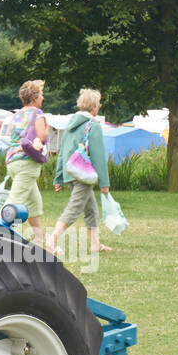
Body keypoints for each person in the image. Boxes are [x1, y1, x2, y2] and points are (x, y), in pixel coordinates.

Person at [49, 88, 111, 256]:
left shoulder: (70, 125)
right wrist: (104, 183)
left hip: (71, 173)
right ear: (95, 107)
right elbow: (98, 156)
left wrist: (59, 177)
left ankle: (95, 244)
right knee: (74, 208)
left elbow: (62, 153)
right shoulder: (93, 126)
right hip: (84, 174)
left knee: (91, 209)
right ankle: (53, 239)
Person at [5, 79, 51, 244]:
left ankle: (40, 238)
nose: (43, 98)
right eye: (41, 95)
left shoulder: (16, 114)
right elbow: (40, 138)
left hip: (12, 162)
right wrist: (47, 130)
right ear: (34, 97)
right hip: (27, 163)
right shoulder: (38, 114)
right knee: (14, 201)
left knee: (33, 201)